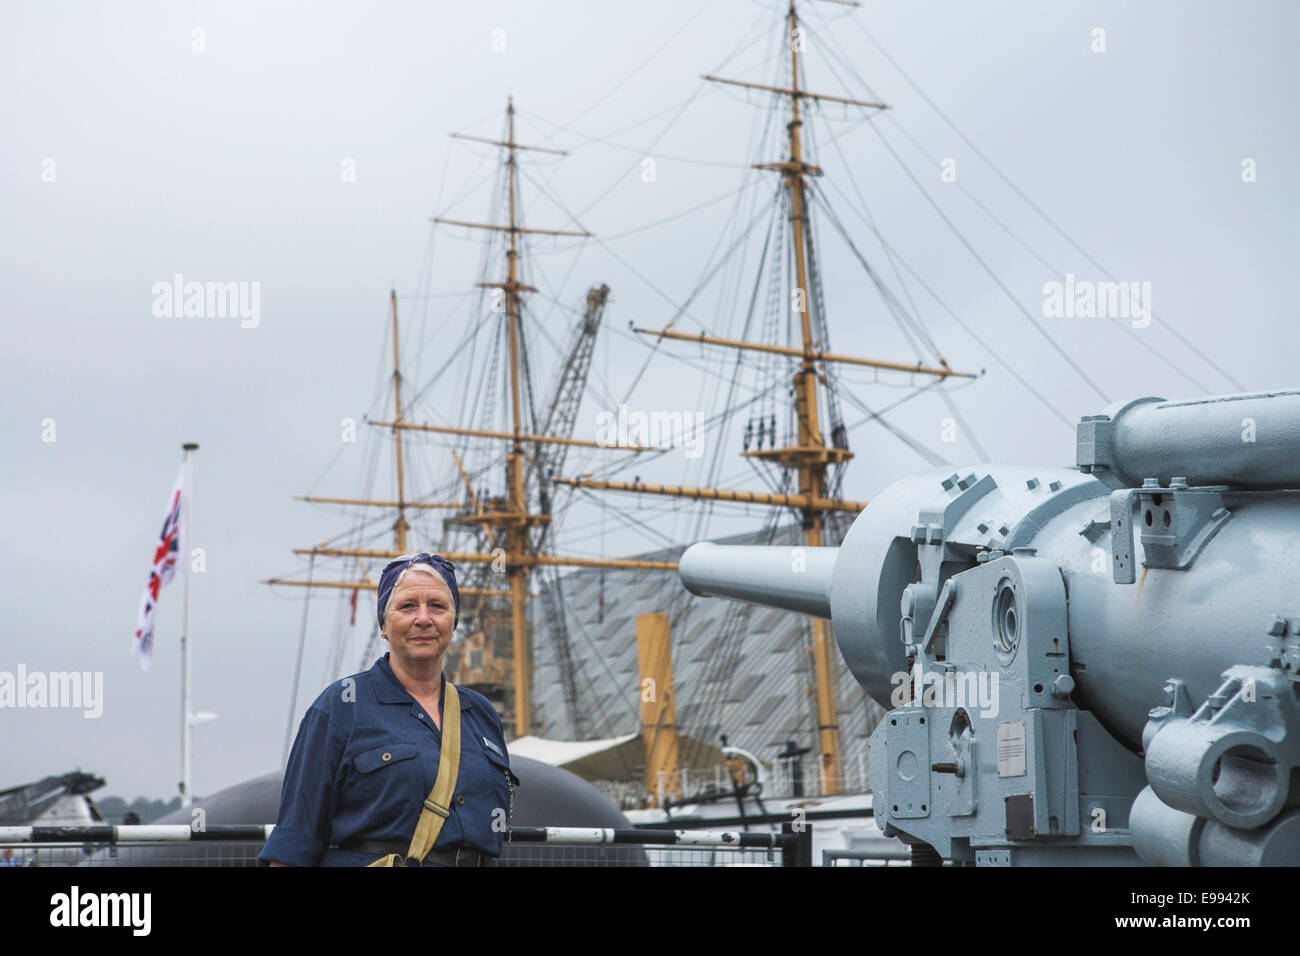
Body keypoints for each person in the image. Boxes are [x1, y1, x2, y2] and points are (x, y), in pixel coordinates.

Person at [260, 552, 517, 867]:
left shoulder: (480, 714)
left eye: (437, 606)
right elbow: (295, 839)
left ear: (453, 621)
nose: (423, 618)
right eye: (407, 606)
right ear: (384, 623)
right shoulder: (342, 706)